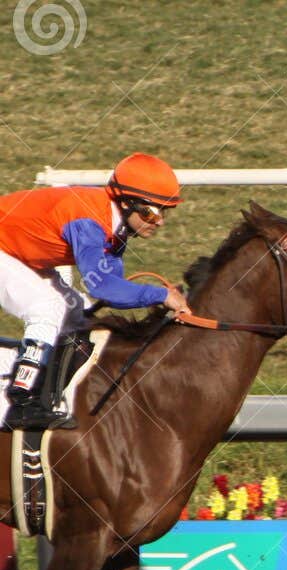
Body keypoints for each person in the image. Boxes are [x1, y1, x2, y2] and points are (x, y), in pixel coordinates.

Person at [0, 152, 190, 429]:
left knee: (76, 310)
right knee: (46, 307)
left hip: (17, 253)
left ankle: (49, 388)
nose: (159, 221)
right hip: (8, 251)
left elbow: (111, 286)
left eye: (165, 212)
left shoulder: (117, 227)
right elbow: (103, 286)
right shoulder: (89, 221)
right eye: (151, 212)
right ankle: (21, 401)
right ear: (126, 203)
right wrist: (161, 295)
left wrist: (157, 300)